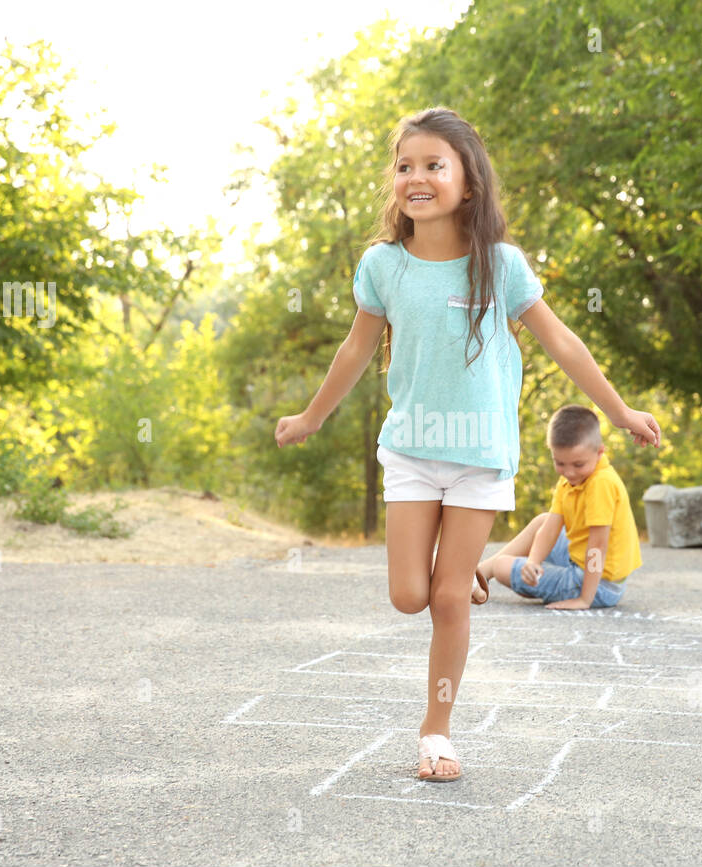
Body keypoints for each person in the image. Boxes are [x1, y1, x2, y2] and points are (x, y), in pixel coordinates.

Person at [275, 107, 660, 784]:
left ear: (468, 183)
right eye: (404, 166)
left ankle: (437, 732)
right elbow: (355, 350)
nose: (415, 177)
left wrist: (620, 410)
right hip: (414, 453)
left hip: (480, 456)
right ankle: (461, 581)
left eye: (433, 165)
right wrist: (311, 416)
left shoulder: (500, 267)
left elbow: (563, 342)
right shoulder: (383, 266)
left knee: (448, 599)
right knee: (406, 595)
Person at [475, 405, 642, 610]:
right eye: (560, 463)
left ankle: (485, 573)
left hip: (600, 585)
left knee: (502, 566)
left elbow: (597, 548)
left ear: (600, 452)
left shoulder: (601, 484)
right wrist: (533, 562)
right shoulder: (570, 482)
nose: (569, 472)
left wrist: (584, 600)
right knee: (543, 520)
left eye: (578, 464)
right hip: (581, 561)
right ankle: (480, 573)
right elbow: (550, 528)